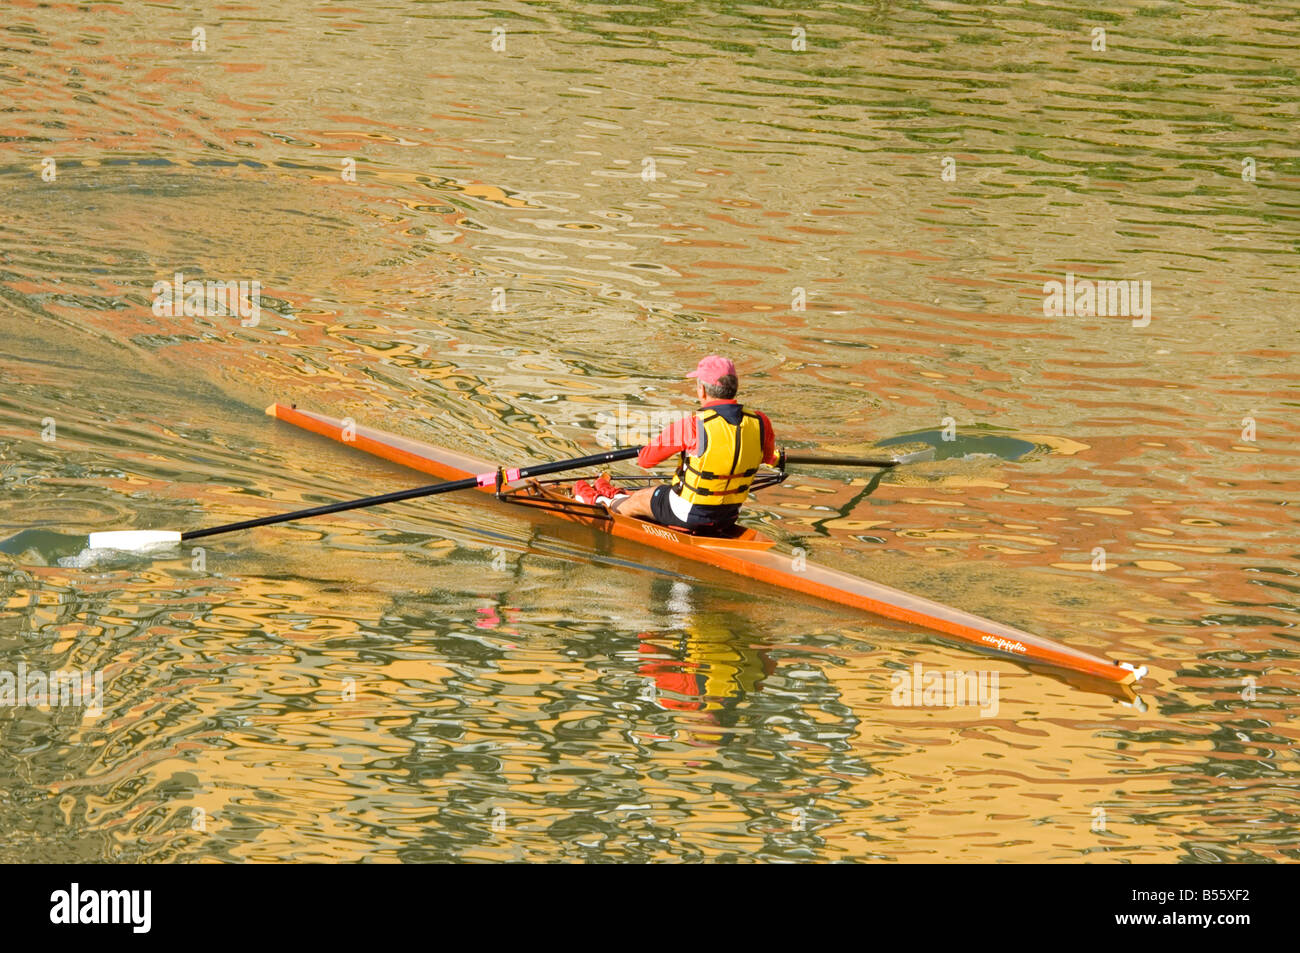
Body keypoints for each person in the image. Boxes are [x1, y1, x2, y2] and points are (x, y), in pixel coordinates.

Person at [573, 355, 777, 536]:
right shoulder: (760, 421)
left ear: (702, 391)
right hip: (729, 515)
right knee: (656, 493)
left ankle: (598, 502)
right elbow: (770, 458)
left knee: (644, 499)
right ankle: (614, 494)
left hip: (690, 514)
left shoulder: (693, 425)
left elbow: (646, 461)